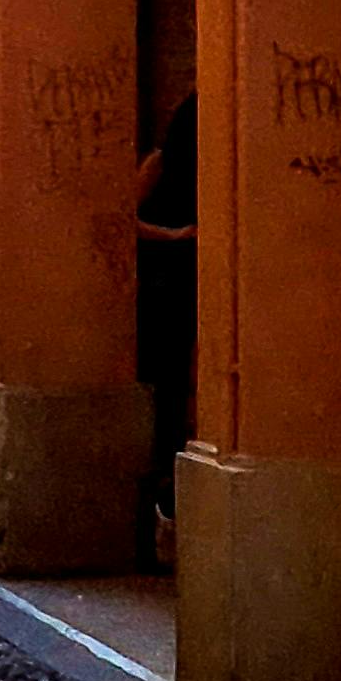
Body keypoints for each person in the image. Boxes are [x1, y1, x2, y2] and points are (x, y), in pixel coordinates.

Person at [135, 87, 198, 570]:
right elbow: (127, 217)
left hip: (177, 282)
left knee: (176, 392)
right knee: (171, 391)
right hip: (168, 281)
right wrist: (176, 237)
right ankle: (163, 516)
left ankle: (167, 515)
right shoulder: (160, 165)